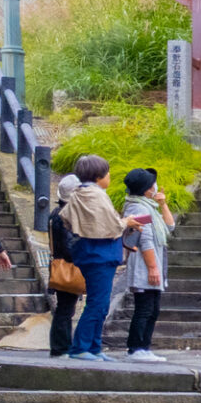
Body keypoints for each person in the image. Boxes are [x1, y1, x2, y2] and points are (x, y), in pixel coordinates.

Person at [61, 155, 147, 362]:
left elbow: (68, 218)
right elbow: (111, 225)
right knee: (97, 304)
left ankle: (94, 347)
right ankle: (80, 347)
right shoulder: (96, 195)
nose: (109, 177)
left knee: (100, 304)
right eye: (108, 173)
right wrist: (126, 221)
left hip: (89, 253)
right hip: (100, 254)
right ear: (99, 176)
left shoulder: (80, 193)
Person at [121, 168, 173, 361]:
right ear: (145, 189)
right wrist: (153, 268)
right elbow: (146, 240)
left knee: (153, 308)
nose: (155, 186)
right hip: (145, 266)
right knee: (145, 308)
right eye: (152, 184)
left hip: (153, 264)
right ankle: (136, 348)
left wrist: (163, 204)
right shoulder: (138, 208)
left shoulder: (148, 206)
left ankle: (144, 347)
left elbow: (169, 227)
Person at [48, 174, 82, 357]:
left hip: (58, 265)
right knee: (65, 309)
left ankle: (61, 345)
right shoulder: (66, 215)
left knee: (64, 308)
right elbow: (69, 247)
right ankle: (61, 347)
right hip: (68, 266)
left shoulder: (55, 213)